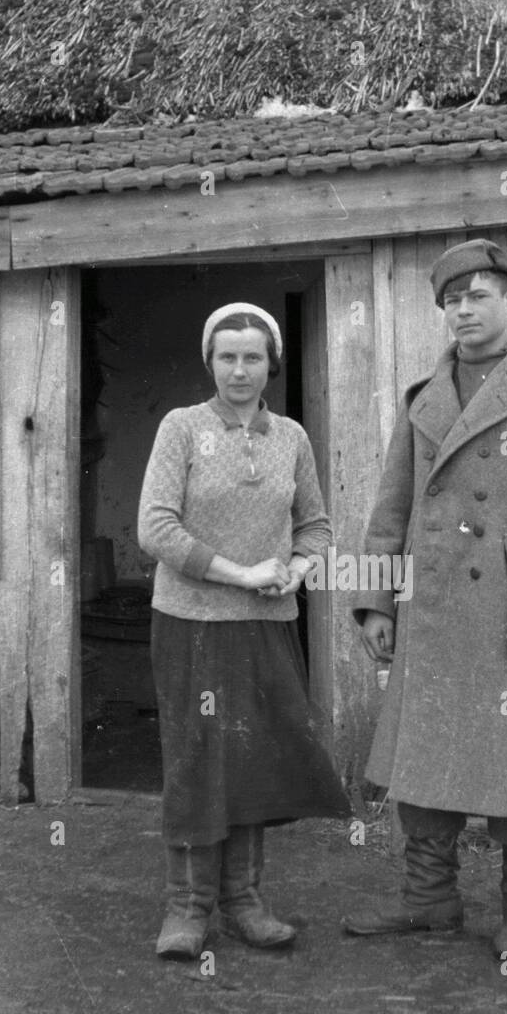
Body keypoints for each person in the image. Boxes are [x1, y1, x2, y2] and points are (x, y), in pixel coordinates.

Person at [344, 240, 507, 957]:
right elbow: (389, 509)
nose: (464, 310)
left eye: (479, 295)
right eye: (452, 299)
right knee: (425, 760)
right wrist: (375, 602)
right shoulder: (424, 399)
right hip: (433, 613)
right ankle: (429, 899)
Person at [138, 302, 350, 959]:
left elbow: (315, 523)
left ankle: (245, 903)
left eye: (251, 356)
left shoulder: (291, 438)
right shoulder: (181, 428)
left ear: (270, 363)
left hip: (266, 625)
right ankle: (188, 909)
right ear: (210, 361)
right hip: (191, 624)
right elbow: (155, 529)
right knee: (197, 762)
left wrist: (299, 568)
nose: (239, 368)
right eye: (226, 355)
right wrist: (241, 572)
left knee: (254, 762)